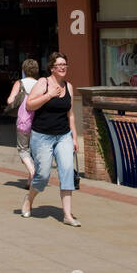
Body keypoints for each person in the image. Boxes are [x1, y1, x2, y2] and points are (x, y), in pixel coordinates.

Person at [22, 52, 81, 226]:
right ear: (52, 68)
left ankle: (67, 215)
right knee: (43, 175)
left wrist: (75, 137)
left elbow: (70, 114)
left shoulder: (69, 86)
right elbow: (29, 104)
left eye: (65, 65)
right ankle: (29, 199)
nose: (63, 68)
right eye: (59, 65)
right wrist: (49, 95)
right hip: (42, 136)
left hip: (63, 136)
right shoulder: (43, 83)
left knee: (67, 171)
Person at [5, 59, 40, 181]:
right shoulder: (40, 84)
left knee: (23, 150)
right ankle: (30, 181)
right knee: (34, 150)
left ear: (24, 70)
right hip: (38, 122)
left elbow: (10, 100)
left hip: (24, 122)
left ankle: (32, 171)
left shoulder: (19, 83)